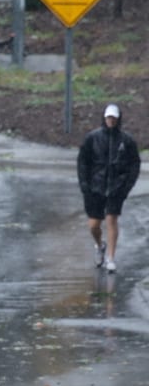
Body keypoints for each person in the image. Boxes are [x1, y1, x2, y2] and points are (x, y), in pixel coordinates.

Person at [77, 102, 141, 274]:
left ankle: (111, 258)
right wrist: (84, 183)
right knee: (93, 225)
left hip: (116, 188)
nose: (110, 121)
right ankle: (100, 245)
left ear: (118, 119)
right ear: (104, 118)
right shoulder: (92, 138)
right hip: (95, 187)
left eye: (113, 118)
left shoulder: (126, 140)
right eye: (108, 117)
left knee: (112, 219)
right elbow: (83, 161)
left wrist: (126, 185)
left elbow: (134, 163)